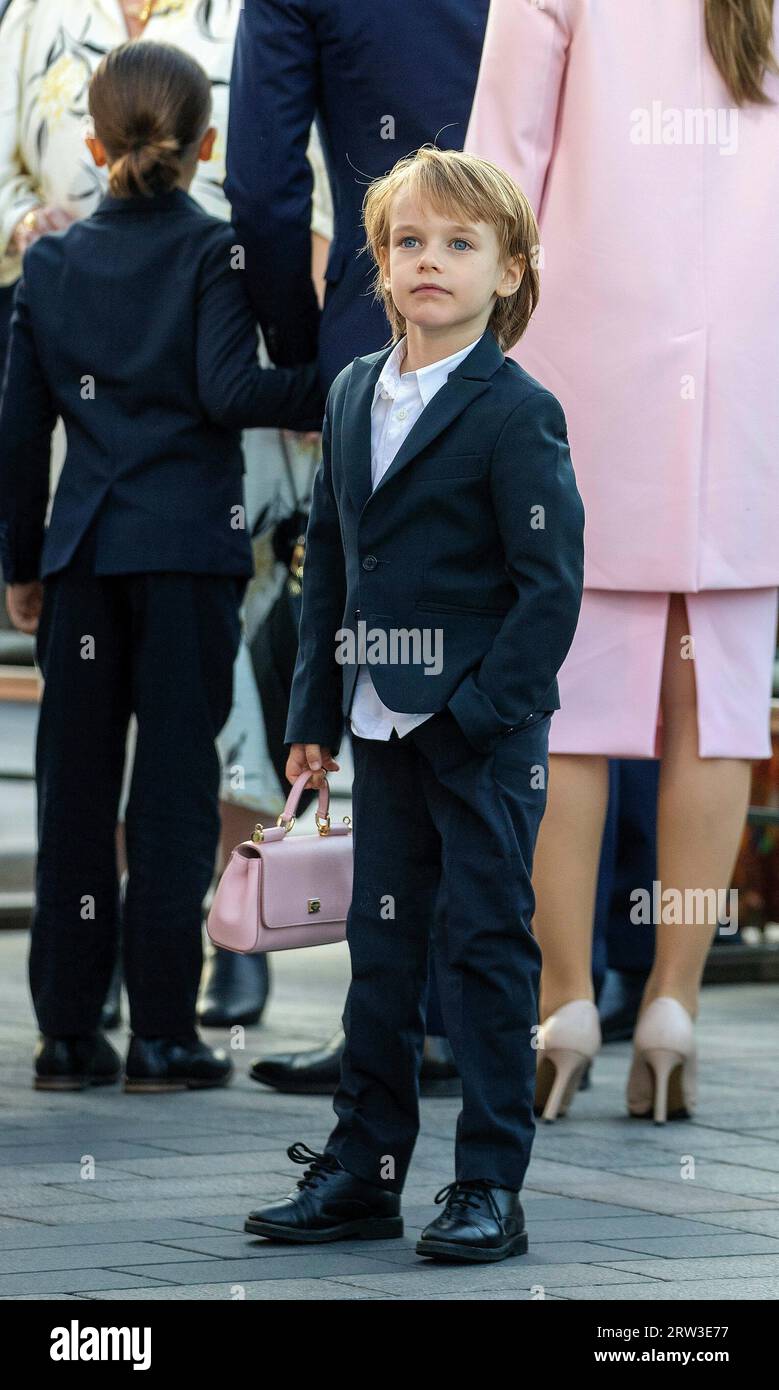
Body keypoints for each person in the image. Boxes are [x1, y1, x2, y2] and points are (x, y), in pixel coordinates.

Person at [243, 145, 585, 1262]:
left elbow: (549, 588)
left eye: (457, 244)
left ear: (507, 270)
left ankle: (489, 1182)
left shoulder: (514, 409)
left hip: (477, 734)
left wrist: (482, 714)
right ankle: (361, 1170)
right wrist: (311, 712)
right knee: (380, 955)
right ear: (379, 269)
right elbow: (329, 565)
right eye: (406, 243)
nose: (427, 261)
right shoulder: (350, 393)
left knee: (483, 951)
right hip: (375, 724)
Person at [464, 0, 779, 1123]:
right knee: (719, 712)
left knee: (573, 706)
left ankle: (564, 1007)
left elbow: (497, 172)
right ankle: (672, 1008)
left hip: (583, 368)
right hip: (750, 369)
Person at [0, 40, 324, 1092]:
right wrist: (338, 392)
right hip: (186, 555)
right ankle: (162, 1036)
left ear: (91, 144)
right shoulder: (214, 251)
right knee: (176, 794)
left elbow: (17, 433)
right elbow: (232, 391)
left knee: (75, 789)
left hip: (85, 555)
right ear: (210, 145)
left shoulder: (48, 264)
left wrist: (22, 561)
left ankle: (63, 1034)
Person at [226, 0, 491, 1094]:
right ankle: (507, 1004)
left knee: (373, 649)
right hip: (519, 309)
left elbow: (262, 181)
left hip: (375, 318)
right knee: (493, 644)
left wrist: (298, 339)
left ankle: (393, 1022)